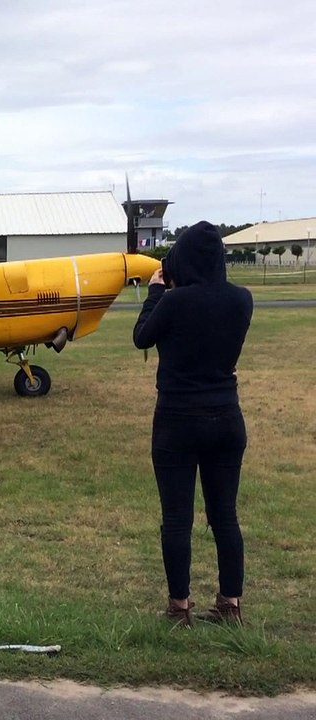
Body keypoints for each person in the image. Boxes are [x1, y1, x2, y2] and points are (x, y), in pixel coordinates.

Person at [133, 221, 253, 627]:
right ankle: (230, 604)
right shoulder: (242, 300)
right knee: (225, 516)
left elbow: (142, 337)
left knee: (176, 519)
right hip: (226, 415)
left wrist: (155, 292)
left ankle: (179, 607)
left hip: (177, 418)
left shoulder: (174, 302)